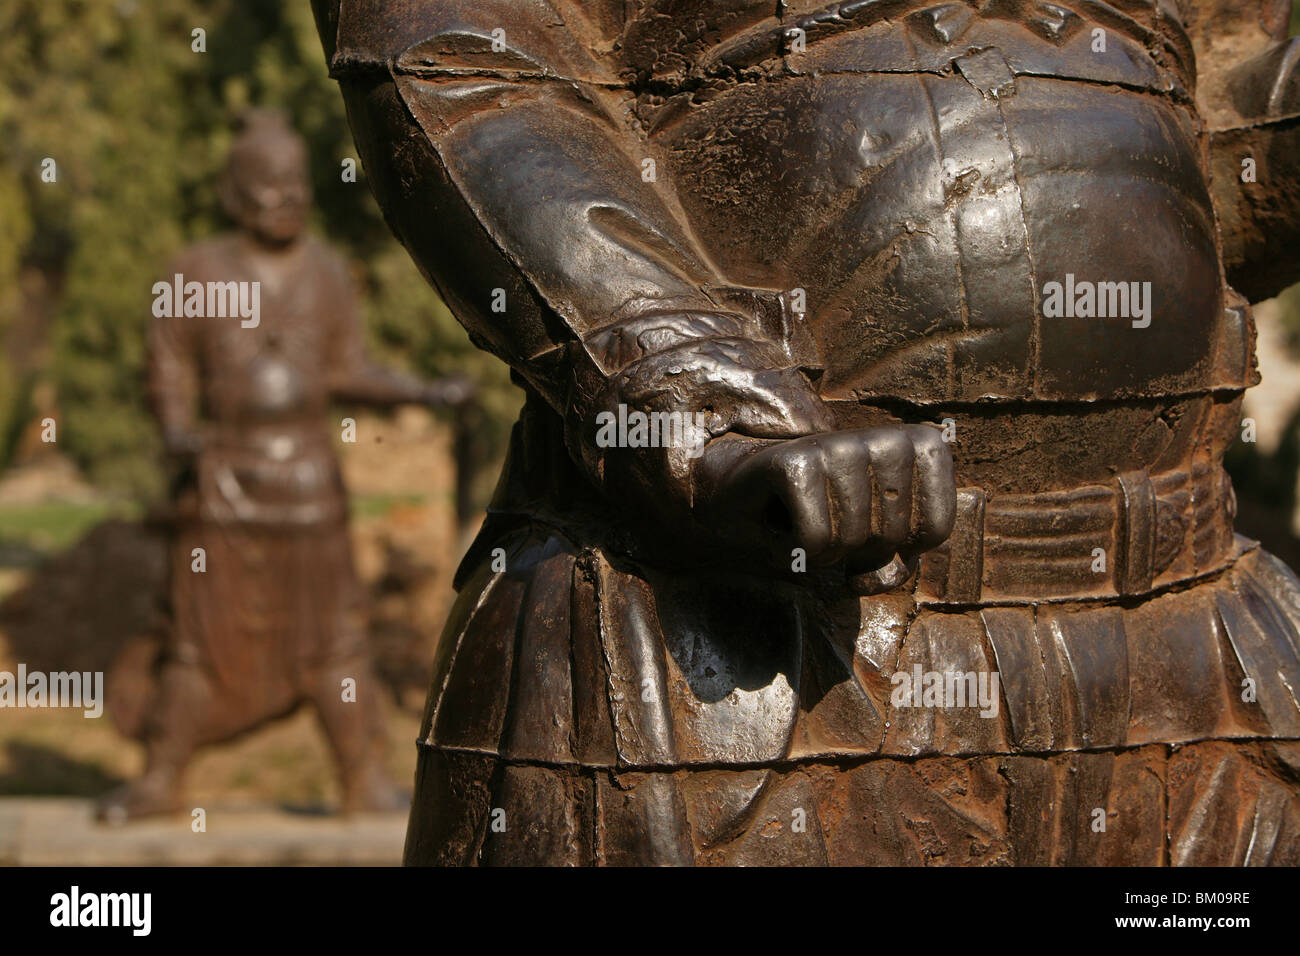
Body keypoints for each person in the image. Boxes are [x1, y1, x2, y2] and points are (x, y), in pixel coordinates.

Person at [314, 1, 1300, 864]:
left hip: (1192, 632)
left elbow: (1223, 154)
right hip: (734, 635)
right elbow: (467, 62)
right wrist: (702, 403)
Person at [97, 110, 472, 821]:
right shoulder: (197, 271)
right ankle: (161, 778)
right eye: (266, 185)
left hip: (309, 492)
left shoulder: (327, 272)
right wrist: (176, 431)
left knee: (336, 639)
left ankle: (361, 780)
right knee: (197, 637)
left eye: (296, 183)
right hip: (225, 489)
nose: (285, 197)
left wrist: (421, 390)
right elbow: (169, 367)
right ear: (235, 192)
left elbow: (347, 368)